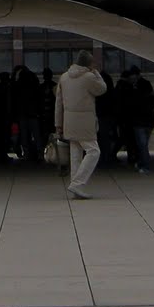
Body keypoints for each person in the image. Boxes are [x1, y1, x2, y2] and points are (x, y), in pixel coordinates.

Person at [55, 50, 106, 199]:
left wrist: (58, 123)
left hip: (69, 121)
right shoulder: (89, 77)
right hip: (84, 121)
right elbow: (102, 89)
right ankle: (78, 184)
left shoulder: (64, 77)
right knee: (93, 151)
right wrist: (97, 73)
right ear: (89, 64)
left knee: (76, 154)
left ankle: (76, 186)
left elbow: (58, 103)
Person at [121, 66, 154, 173]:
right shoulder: (147, 86)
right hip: (148, 120)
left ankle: (145, 165)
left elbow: (132, 103)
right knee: (143, 144)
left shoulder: (135, 87)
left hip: (139, 120)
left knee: (141, 145)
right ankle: (142, 163)